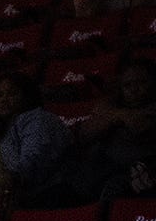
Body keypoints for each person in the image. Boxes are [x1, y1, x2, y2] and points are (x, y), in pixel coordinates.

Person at [62, 62, 156, 200]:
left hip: (135, 173)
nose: (134, 89)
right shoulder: (111, 108)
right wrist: (118, 115)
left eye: (141, 82)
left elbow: (138, 126)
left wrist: (114, 116)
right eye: (127, 85)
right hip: (96, 172)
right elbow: (84, 135)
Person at [0, 73, 70, 208]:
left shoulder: (38, 119)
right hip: (12, 196)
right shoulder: (6, 130)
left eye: (12, 94)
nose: (4, 100)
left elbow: (32, 162)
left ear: (27, 96)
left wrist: (5, 181)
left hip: (46, 196)